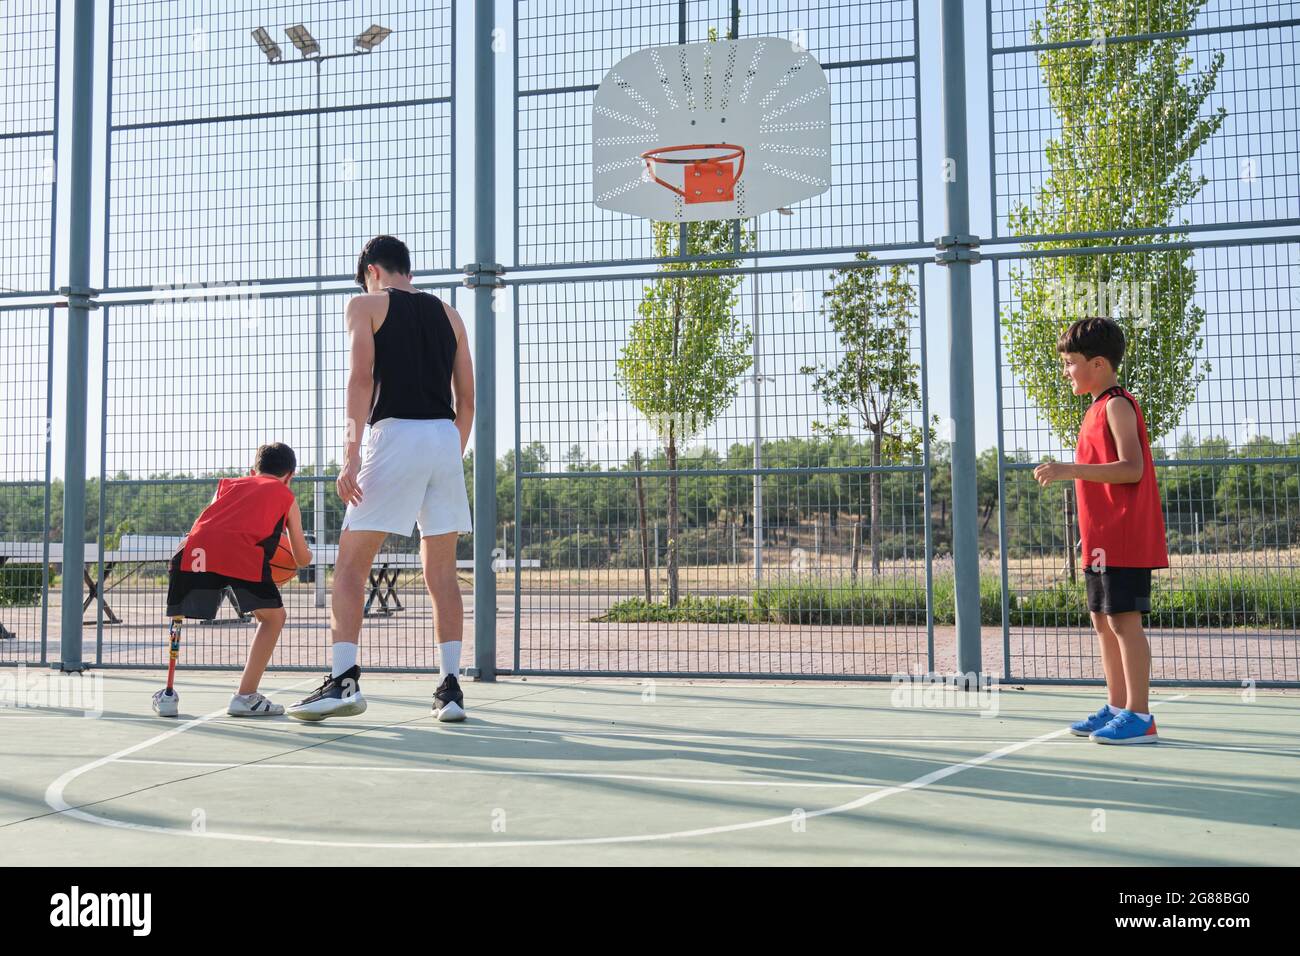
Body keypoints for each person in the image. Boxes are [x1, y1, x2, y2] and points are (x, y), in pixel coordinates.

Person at [287, 235, 474, 723]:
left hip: (394, 437)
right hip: (444, 441)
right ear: (405, 269)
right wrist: (448, 452)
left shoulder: (364, 305)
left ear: (372, 269)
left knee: (349, 567)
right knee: (441, 574)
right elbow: (468, 401)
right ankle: (450, 689)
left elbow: (361, 380)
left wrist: (350, 456)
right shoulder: (451, 315)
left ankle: (344, 679)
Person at [1034, 317, 1169, 744]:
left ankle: (1140, 715)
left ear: (1097, 363)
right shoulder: (1093, 408)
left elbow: (1132, 469)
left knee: (1125, 621)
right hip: (1100, 539)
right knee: (1102, 620)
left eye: (1071, 362)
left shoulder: (1117, 404)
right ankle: (1116, 706)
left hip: (1125, 535)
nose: (1066, 370)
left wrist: (1068, 469)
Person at [165, 442, 313, 716]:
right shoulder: (285, 496)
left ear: (252, 470)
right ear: (290, 476)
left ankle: (168, 695)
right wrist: (308, 556)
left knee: (179, 614)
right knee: (273, 617)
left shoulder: (228, 485)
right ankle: (245, 696)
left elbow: (208, 521)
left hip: (192, 549)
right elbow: (301, 558)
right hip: (244, 552)